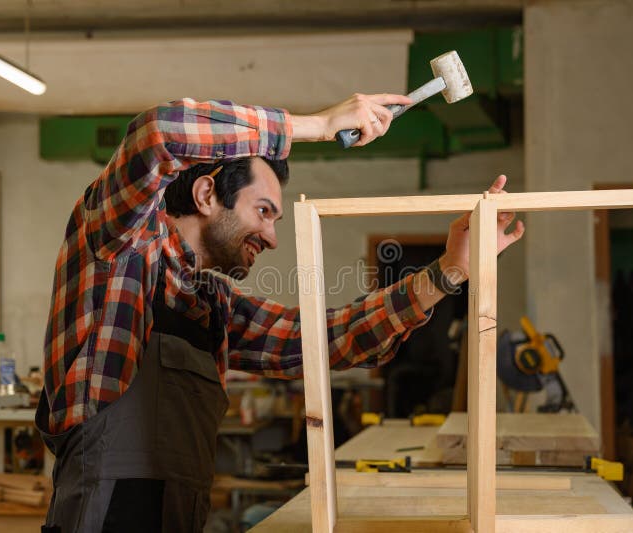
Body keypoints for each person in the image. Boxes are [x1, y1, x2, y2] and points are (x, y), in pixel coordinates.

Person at [36, 93, 524, 533]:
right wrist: (317, 125)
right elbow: (157, 133)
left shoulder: (212, 303)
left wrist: (449, 271)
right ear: (206, 195)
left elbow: (324, 339)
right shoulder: (119, 246)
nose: (271, 237)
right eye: (264, 211)